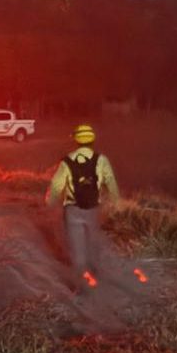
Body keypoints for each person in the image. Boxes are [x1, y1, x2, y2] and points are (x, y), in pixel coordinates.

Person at [46, 123, 120, 292]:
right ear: (92, 140)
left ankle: (80, 287)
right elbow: (110, 181)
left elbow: (56, 185)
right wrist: (116, 202)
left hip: (72, 210)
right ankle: (96, 273)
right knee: (92, 240)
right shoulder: (101, 160)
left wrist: (51, 202)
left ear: (77, 140)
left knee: (77, 247)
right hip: (93, 208)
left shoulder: (67, 161)